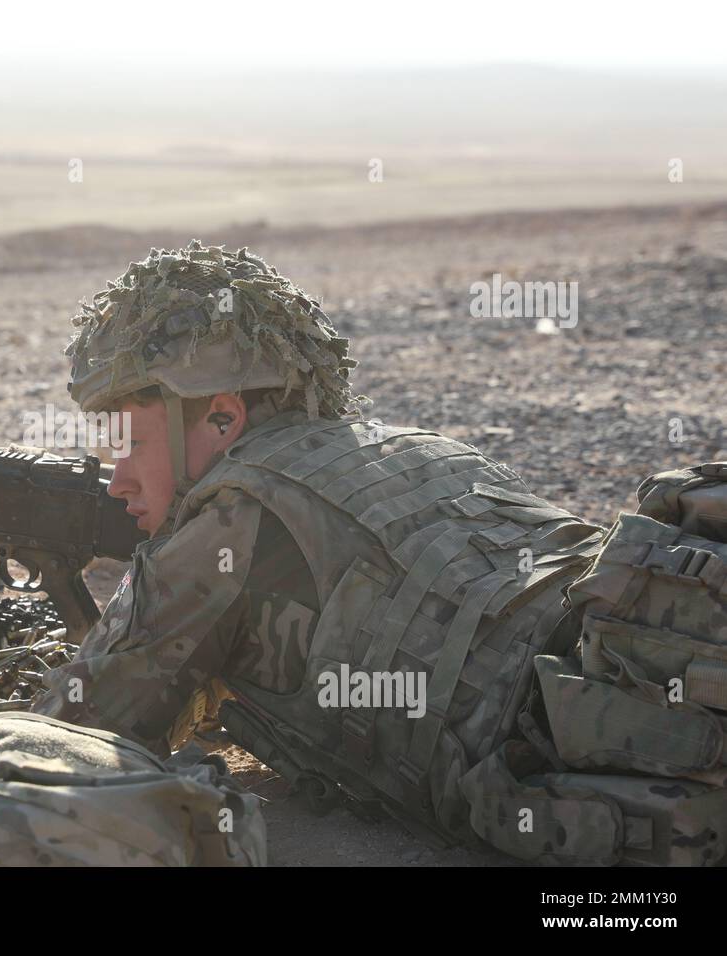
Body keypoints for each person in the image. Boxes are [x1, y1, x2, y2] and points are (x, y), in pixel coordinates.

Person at [30, 239, 610, 847]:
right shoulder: (426, 448)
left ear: (224, 419)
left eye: (133, 444)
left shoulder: (236, 509)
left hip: (584, 759)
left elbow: (69, 739)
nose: (118, 479)